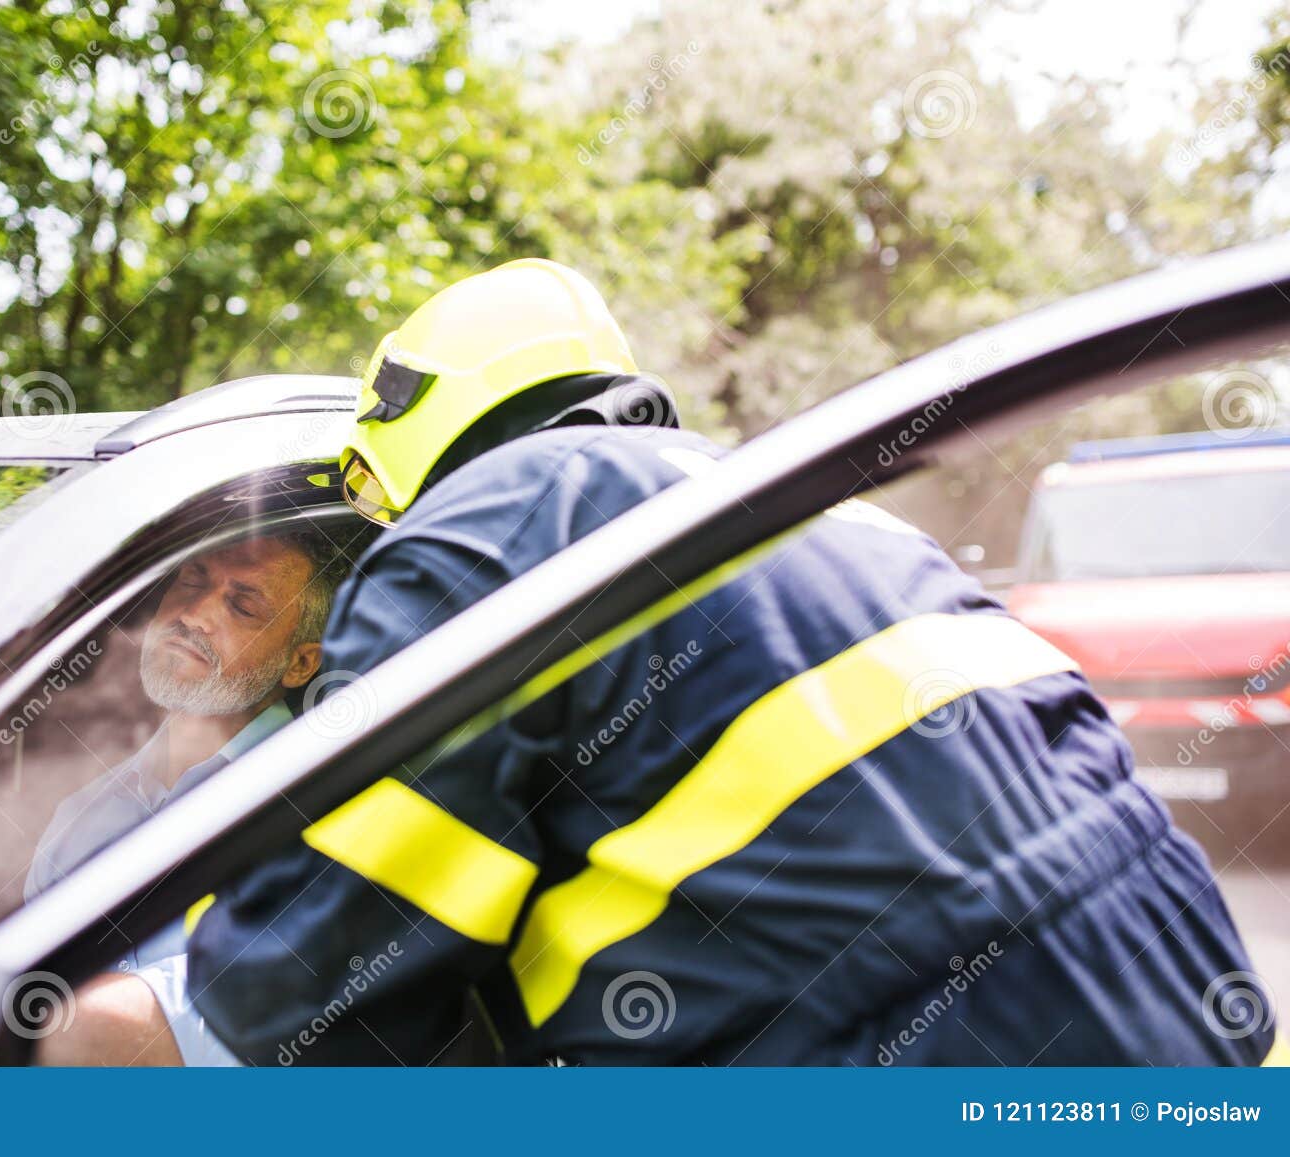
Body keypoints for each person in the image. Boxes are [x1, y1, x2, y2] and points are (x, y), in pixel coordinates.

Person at [185, 258, 1272, 1066]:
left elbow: (293, 987)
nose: (378, 532)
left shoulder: (493, 524)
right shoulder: (804, 504)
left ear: (404, 420)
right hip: (1194, 1020)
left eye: (370, 498)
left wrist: (197, 892)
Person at [0, 529, 350, 1066]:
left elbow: (128, 1041)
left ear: (301, 665)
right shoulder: (85, 812)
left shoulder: (319, 811)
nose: (195, 613)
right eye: (193, 578)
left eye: (243, 605)